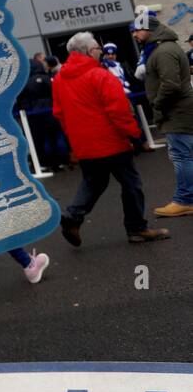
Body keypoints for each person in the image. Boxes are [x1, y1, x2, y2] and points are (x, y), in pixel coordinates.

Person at [52, 32, 168, 245]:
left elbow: (59, 113)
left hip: (85, 144)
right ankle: (136, 228)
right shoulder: (100, 75)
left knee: (93, 182)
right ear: (89, 52)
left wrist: (74, 137)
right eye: (97, 48)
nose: (101, 52)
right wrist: (135, 136)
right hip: (111, 141)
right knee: (131, 183)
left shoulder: (59, 78)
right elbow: (120, 110)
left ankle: (72, 217)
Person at [131, 16, 193, 217]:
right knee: (185, 155)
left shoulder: (163, 51)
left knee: (181, 156)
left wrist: (157, 104)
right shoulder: (164, 48)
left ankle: (185, 200)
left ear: (149, 29)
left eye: (138, 30)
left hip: (176, 112)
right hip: (179, 110)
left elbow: (171, 84)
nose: (135, 34)